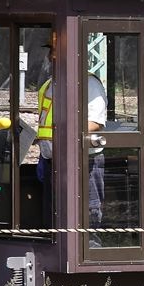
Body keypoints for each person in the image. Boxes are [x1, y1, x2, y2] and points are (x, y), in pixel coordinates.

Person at [35, 32, 108, 234]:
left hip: (83, 163)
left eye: (55, 51)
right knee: (54, 217)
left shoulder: (88, 83)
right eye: (50, 51)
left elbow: (95, 123)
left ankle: (91, 247)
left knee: (87, 216)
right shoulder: (49, 85)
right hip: (52, 162)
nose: (51, 56)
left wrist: (64, 136)